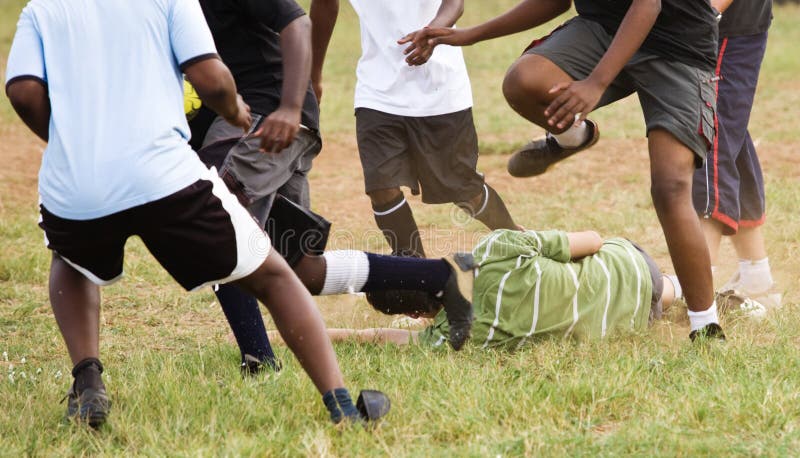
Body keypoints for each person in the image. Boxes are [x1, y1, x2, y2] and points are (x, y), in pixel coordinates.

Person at [4, 0, 387, 427]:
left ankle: (88, 379)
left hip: (76, 182)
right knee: (274, 277)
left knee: (72, 261)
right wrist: (234, 111)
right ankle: (343, 408)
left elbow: (23, 91)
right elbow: (212, 79)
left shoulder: (41, 9)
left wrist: (66, 140)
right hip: (164, 176)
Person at [400, 0, 726, 340]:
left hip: (678, 45)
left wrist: (596, 83)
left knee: (670, 186)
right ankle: (572, 136)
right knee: (523, 81)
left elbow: (648, 5)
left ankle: (705, 324)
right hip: (605, 27)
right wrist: (469, 35)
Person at [309, 0, 519, 261]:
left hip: (440, 89)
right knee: (381, 187)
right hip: (376, 92)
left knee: (464, 189)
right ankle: (423, 281)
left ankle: (519, 239)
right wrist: (314, 73)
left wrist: (434, 32)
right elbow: (324, 6)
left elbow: (455, 3)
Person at [185, 0, 324, 374]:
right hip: (238, 125)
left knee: (214, 216)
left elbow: (297, 23)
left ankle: (258, 360)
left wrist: (291, 107)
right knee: (299, 263)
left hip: (271, 117)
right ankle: (434, 281)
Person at [266, 229, 687, 347]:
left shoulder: (456, 336)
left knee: (645, 301)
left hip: (626, 322)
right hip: (630, 267)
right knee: (643, 279)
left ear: (415, 315)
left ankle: (673, 297)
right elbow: (592, 240)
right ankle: (684, 292)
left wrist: (277, 335)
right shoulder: (495, 248)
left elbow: (377, 337)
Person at [691, 0, 780, 308]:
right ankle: (756, 276)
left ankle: (696, 291)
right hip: (718, 25)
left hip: (722, 28)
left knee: (707, 141)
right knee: (728, 135)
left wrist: (706, 12)